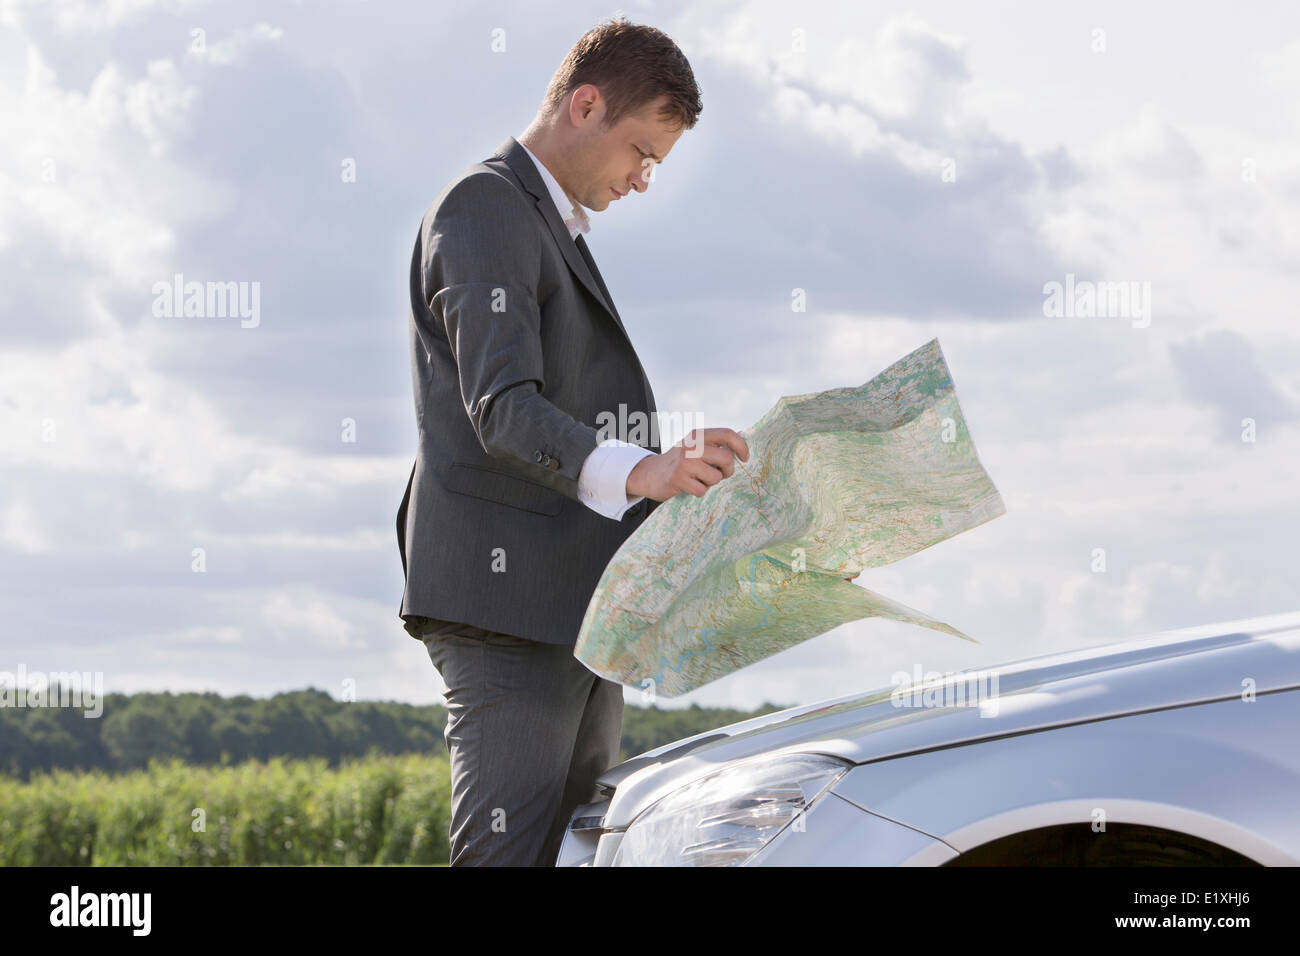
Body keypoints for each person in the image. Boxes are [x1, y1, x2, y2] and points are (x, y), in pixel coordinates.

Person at [395, 17, 749, 867]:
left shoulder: (545, 227)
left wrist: (682, 488)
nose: (643, 180)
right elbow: (503, 407)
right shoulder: (484, 208)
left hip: (575, 612)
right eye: (641, 152)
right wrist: (648, 469)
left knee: (570, 856)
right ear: (585, 104)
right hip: (508, 605)